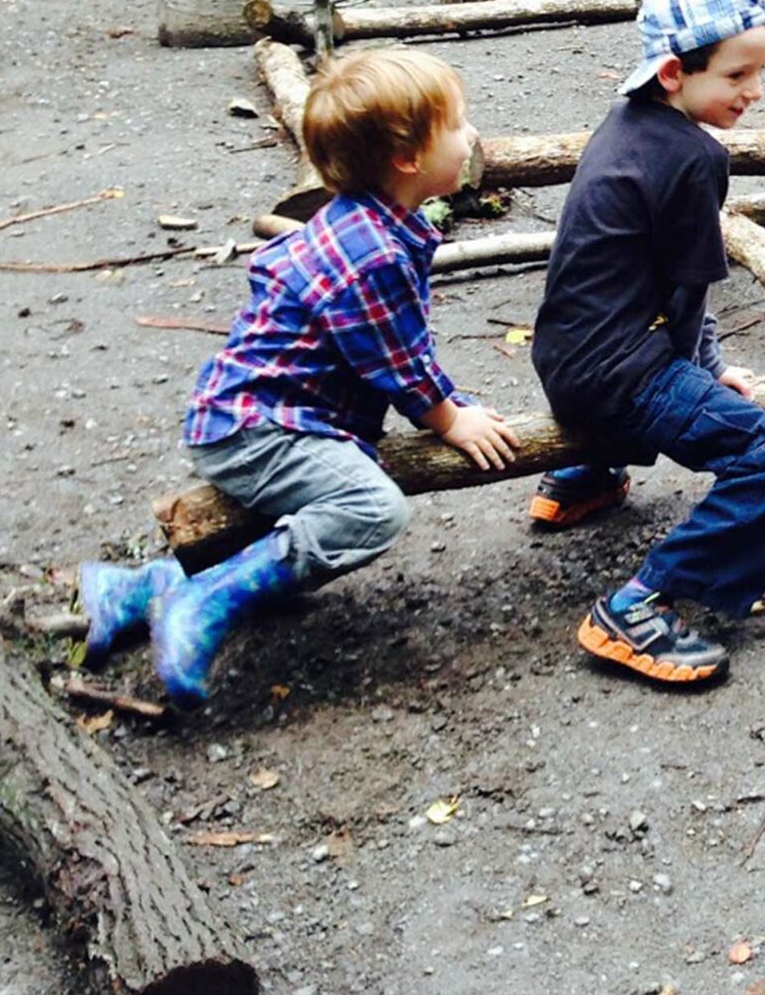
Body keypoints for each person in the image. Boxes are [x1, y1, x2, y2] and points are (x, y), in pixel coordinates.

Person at [75, 48, 520, 707]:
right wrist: (452, 419)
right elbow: (397, 363)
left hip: (260, 417)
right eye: (458, 126)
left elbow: (398, 349)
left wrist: (450, 401)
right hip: (261, 431)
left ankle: (134, 590)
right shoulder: (372, 253)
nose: (473, 136)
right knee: (370, 509)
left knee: (321, 497)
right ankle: (203, 603)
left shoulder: (376, 224)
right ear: (408, 159)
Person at [528, 0, 765, 687]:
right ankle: (638, 604)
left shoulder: (627, 124)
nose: (753, 92)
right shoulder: (695, 157)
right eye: (735, 77)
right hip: (622, 376)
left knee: (674, 378)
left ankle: (583, 474)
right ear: (671, 73)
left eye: (760, 73)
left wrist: (695, 364)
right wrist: (705, 372)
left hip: (565, 359)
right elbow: (686, 292)